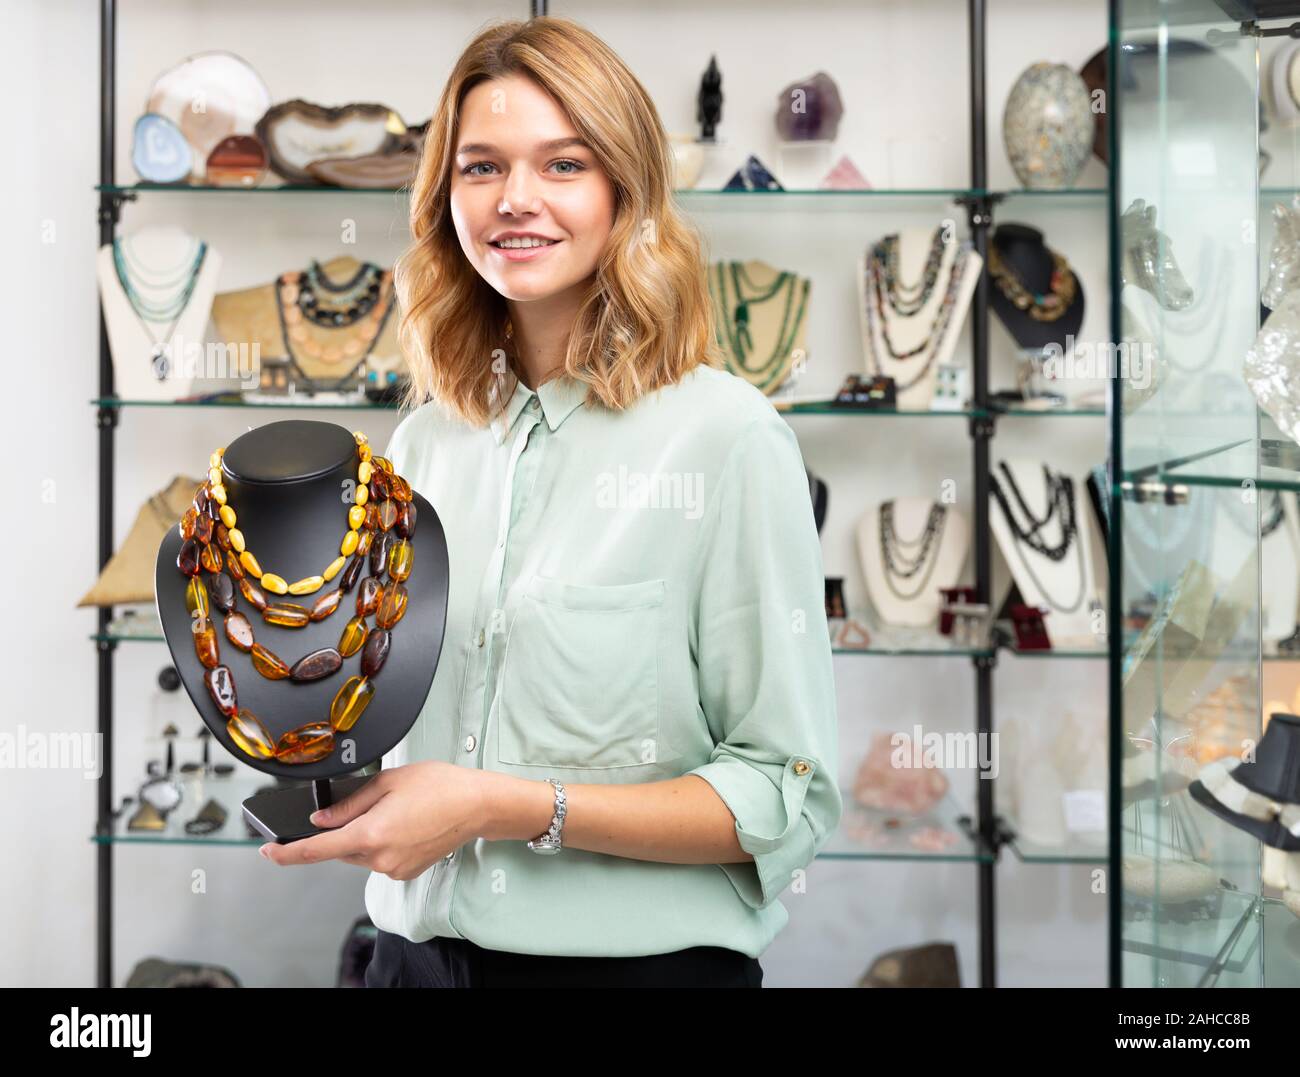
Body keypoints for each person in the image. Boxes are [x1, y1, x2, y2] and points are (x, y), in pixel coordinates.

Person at [259, 14, 841, 989]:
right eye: (480, 167)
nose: (514, 201)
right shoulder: (425, 444)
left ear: (625, 189)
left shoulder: (727, 441)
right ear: (443, 195)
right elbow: (403, 728)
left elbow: (784, 798)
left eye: (562, 164)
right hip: (406, 964)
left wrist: (501, 805)